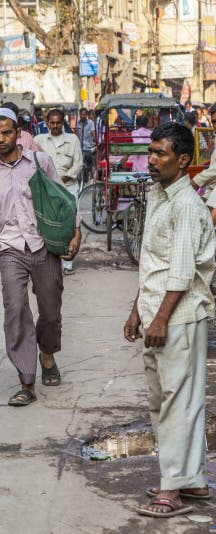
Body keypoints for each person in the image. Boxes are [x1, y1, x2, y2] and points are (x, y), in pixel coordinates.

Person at [124, 123, 215, 519]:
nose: (153, 160)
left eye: (161, 154)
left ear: (183, 160)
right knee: (166, 401)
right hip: (157, 313)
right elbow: (153, 264)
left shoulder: (185, 205)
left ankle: (172, 489)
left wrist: (159, 319)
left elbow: (179, 273)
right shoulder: (159, 197)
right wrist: (136, 309)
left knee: (178, 403)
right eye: (152, 152)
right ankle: (190, 478)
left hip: (177, 317)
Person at [0, 107, 81, 407]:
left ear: (19, 132)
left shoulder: (40, 162)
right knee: (16, 311)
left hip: (44, 246)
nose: (0, 139)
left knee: (50, 311)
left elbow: (63, 199)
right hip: (10, 249)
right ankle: (26, 380)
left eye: (6, 132)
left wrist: (75, 232)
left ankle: (47, 354)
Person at [35, 108, 83, 275]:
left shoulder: (72, 140)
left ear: (63, 123)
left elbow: (78, 164)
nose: (55, 126)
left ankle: (67, 262)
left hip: (68, 187)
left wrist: (64, 178)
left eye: (58, 123)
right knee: (46, 222)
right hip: (47, 188)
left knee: (69, 224)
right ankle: (48, 258)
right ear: (47, 123)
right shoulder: (39, 140)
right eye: (52, 123)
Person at [76, 108, 96, 184]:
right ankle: (81, 177)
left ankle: (91, 175)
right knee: (80, 163)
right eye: (81, 115)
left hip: (88, 147)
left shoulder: (90, 123)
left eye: (84, 115)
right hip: (80, 147)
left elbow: (93, 133)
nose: (82, 116)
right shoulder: (77, 123)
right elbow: (77, 133)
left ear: (86, 115)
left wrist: (95, 143)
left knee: (88, 163)